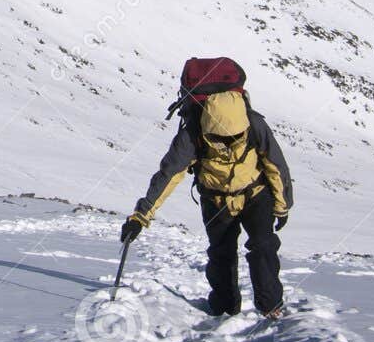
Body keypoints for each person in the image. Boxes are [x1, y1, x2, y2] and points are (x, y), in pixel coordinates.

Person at [121, 57, 292, 318]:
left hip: (252, 195)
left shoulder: (252, 124)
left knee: (261, 247)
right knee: (230, 252)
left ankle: (269, 307)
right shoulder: (194, 134)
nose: (227, 143)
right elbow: (168, 175)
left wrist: (281, 205)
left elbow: (276, 166)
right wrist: (140, 216)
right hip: (219, 198)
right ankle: (226, 309)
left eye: (235, 139)